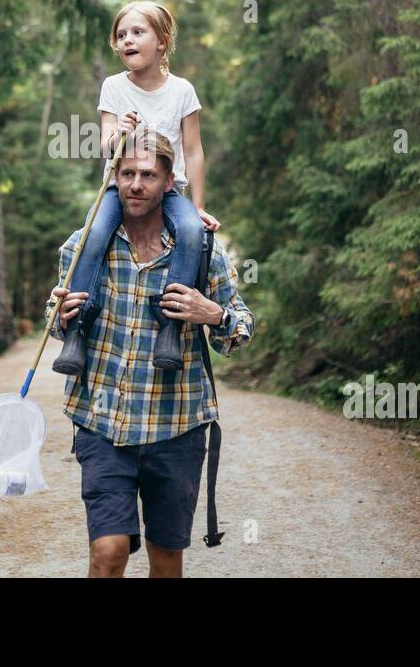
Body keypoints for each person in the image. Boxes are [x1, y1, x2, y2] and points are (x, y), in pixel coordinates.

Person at [45, 128, 254, 577]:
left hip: (174, 428)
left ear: (167, 181)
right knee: (108, 553)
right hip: (102, 424)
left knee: (165, 560)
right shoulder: (83, 247)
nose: (136, 184)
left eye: (147, 174)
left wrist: (213, 314)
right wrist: (61, 317)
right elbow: (53, 318)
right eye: (126, 174)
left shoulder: (201, 253)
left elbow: (238, 331)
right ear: (114, 177)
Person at [53, 0, 221, 378]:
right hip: (119, 186)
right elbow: (106, 144)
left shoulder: (181, 91)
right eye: (121, 35)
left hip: (169, 187)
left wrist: (198, 205)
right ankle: (78, 329)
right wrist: (120, 136)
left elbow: (193, 151)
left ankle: (170, 328)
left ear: (161, 42)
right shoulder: (113, 86)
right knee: (94, 232)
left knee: (192, 232)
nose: (127, 40)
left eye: (137, 32)